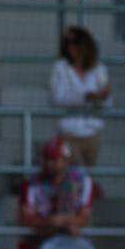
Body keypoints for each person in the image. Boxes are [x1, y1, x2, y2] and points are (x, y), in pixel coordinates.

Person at [49, 26, 111, 167]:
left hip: (92, 132)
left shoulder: (98, 69)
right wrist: (86, 97)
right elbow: (57, 98)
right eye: (67, 42)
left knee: (88, 178)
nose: (71, 46)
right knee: (77, 175)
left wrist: (101, 97)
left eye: (75, 42)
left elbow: (107, 102)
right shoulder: (60, 68)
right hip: (69, 132)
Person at [18, 137, 93, 249]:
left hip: (71, 240)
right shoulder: (31, 184)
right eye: (46, 158)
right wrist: (50, 222)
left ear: (66, 160)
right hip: (39, 240)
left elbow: (84, 218)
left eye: (54, 159)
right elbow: (26, 219)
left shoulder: (82, 182)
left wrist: (62, 221)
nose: (49, 164)